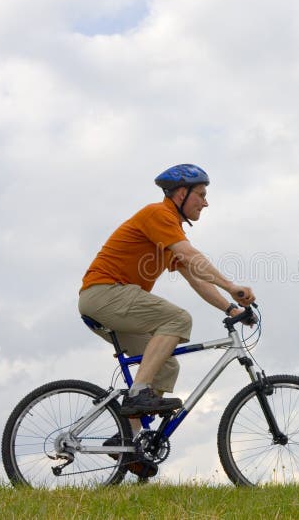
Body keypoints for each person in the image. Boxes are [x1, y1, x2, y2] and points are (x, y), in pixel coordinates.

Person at [78, 164, 255, 423]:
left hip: (107, 301)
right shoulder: (158, 214)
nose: (205, 203)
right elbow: (190, 255)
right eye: (202, 195)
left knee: (165, 365)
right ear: (181, 193)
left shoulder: (169, 231)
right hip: (104, 292)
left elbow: (196, 278)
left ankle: (131, 443)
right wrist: (231, 286)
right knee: (179, 319)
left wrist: (231, 308)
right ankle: (138, 393)